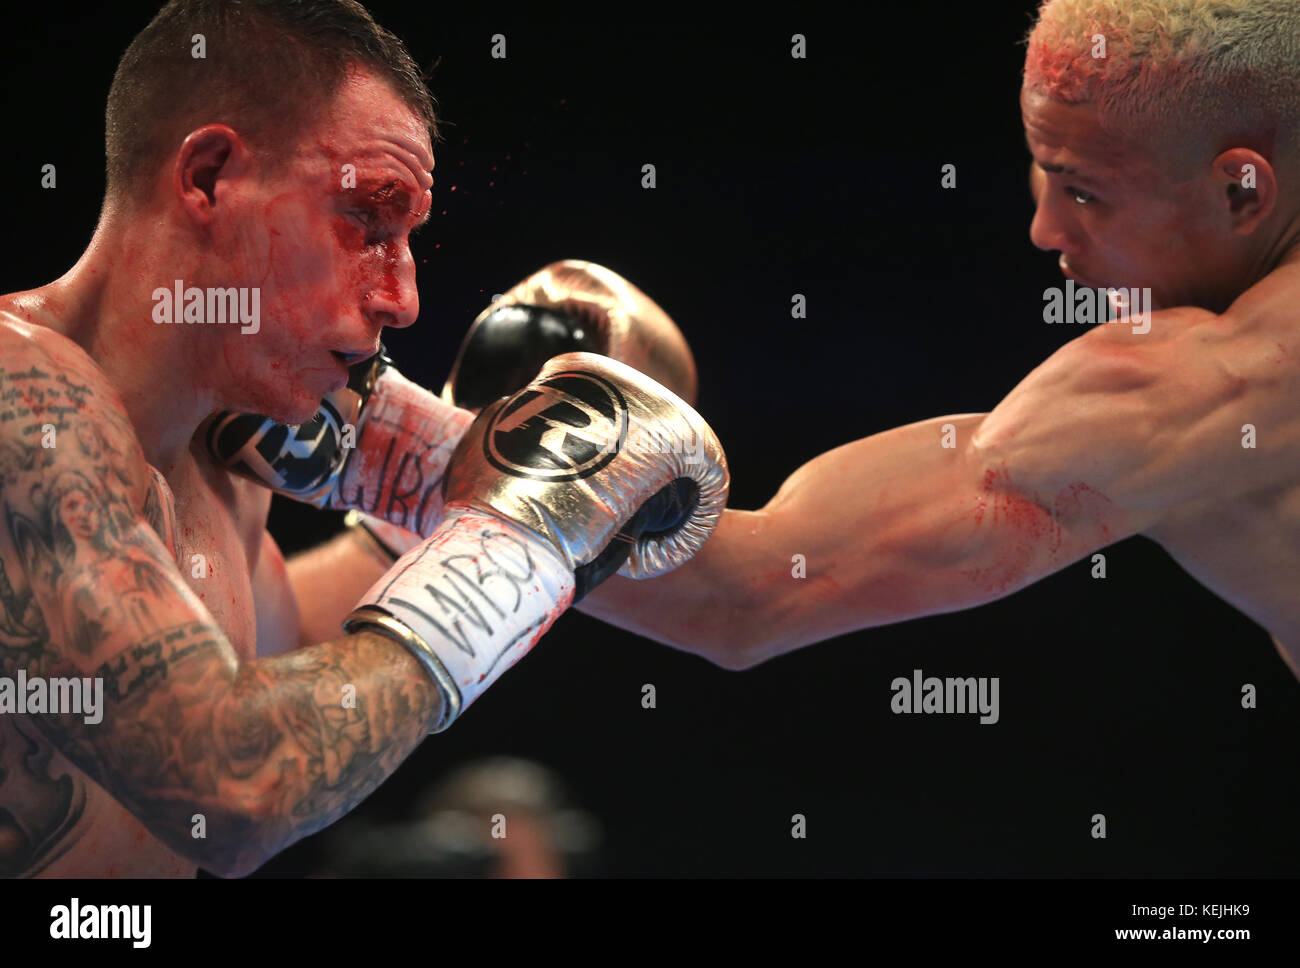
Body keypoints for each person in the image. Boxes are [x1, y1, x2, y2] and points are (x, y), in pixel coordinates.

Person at [0, 0, 726, 877]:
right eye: (367, 222)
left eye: (407, 239)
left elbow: (276, 653)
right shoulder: (21, 396)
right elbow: (235, 780)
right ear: (208, 178)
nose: (404, 297)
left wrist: (471, 504)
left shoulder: (226, 466)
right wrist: (505, 559)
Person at [576, 0, 1300, 676]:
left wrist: (485, 451)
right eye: (1041, 171)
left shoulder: (1222, 380)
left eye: (1083, 190)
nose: (1044, 231)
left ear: (1241, 190)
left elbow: (748, 595)